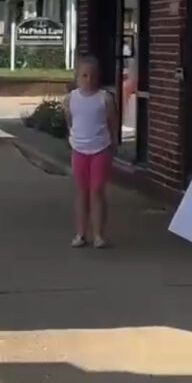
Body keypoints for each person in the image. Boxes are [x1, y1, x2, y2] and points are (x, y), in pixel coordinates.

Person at [63, 54, 118, 249]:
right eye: (84, 75)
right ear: (77, 77)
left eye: (93, 76)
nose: (89, 80)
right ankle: (80, 233)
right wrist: (73, 138)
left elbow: (112, 122)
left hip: (101, 149)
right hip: (79, 150)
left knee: (97, 191)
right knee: (82, 192)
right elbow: (69, 120)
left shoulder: (105, 98)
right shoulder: (71, 99)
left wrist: (113, 145)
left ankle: (98, 234)